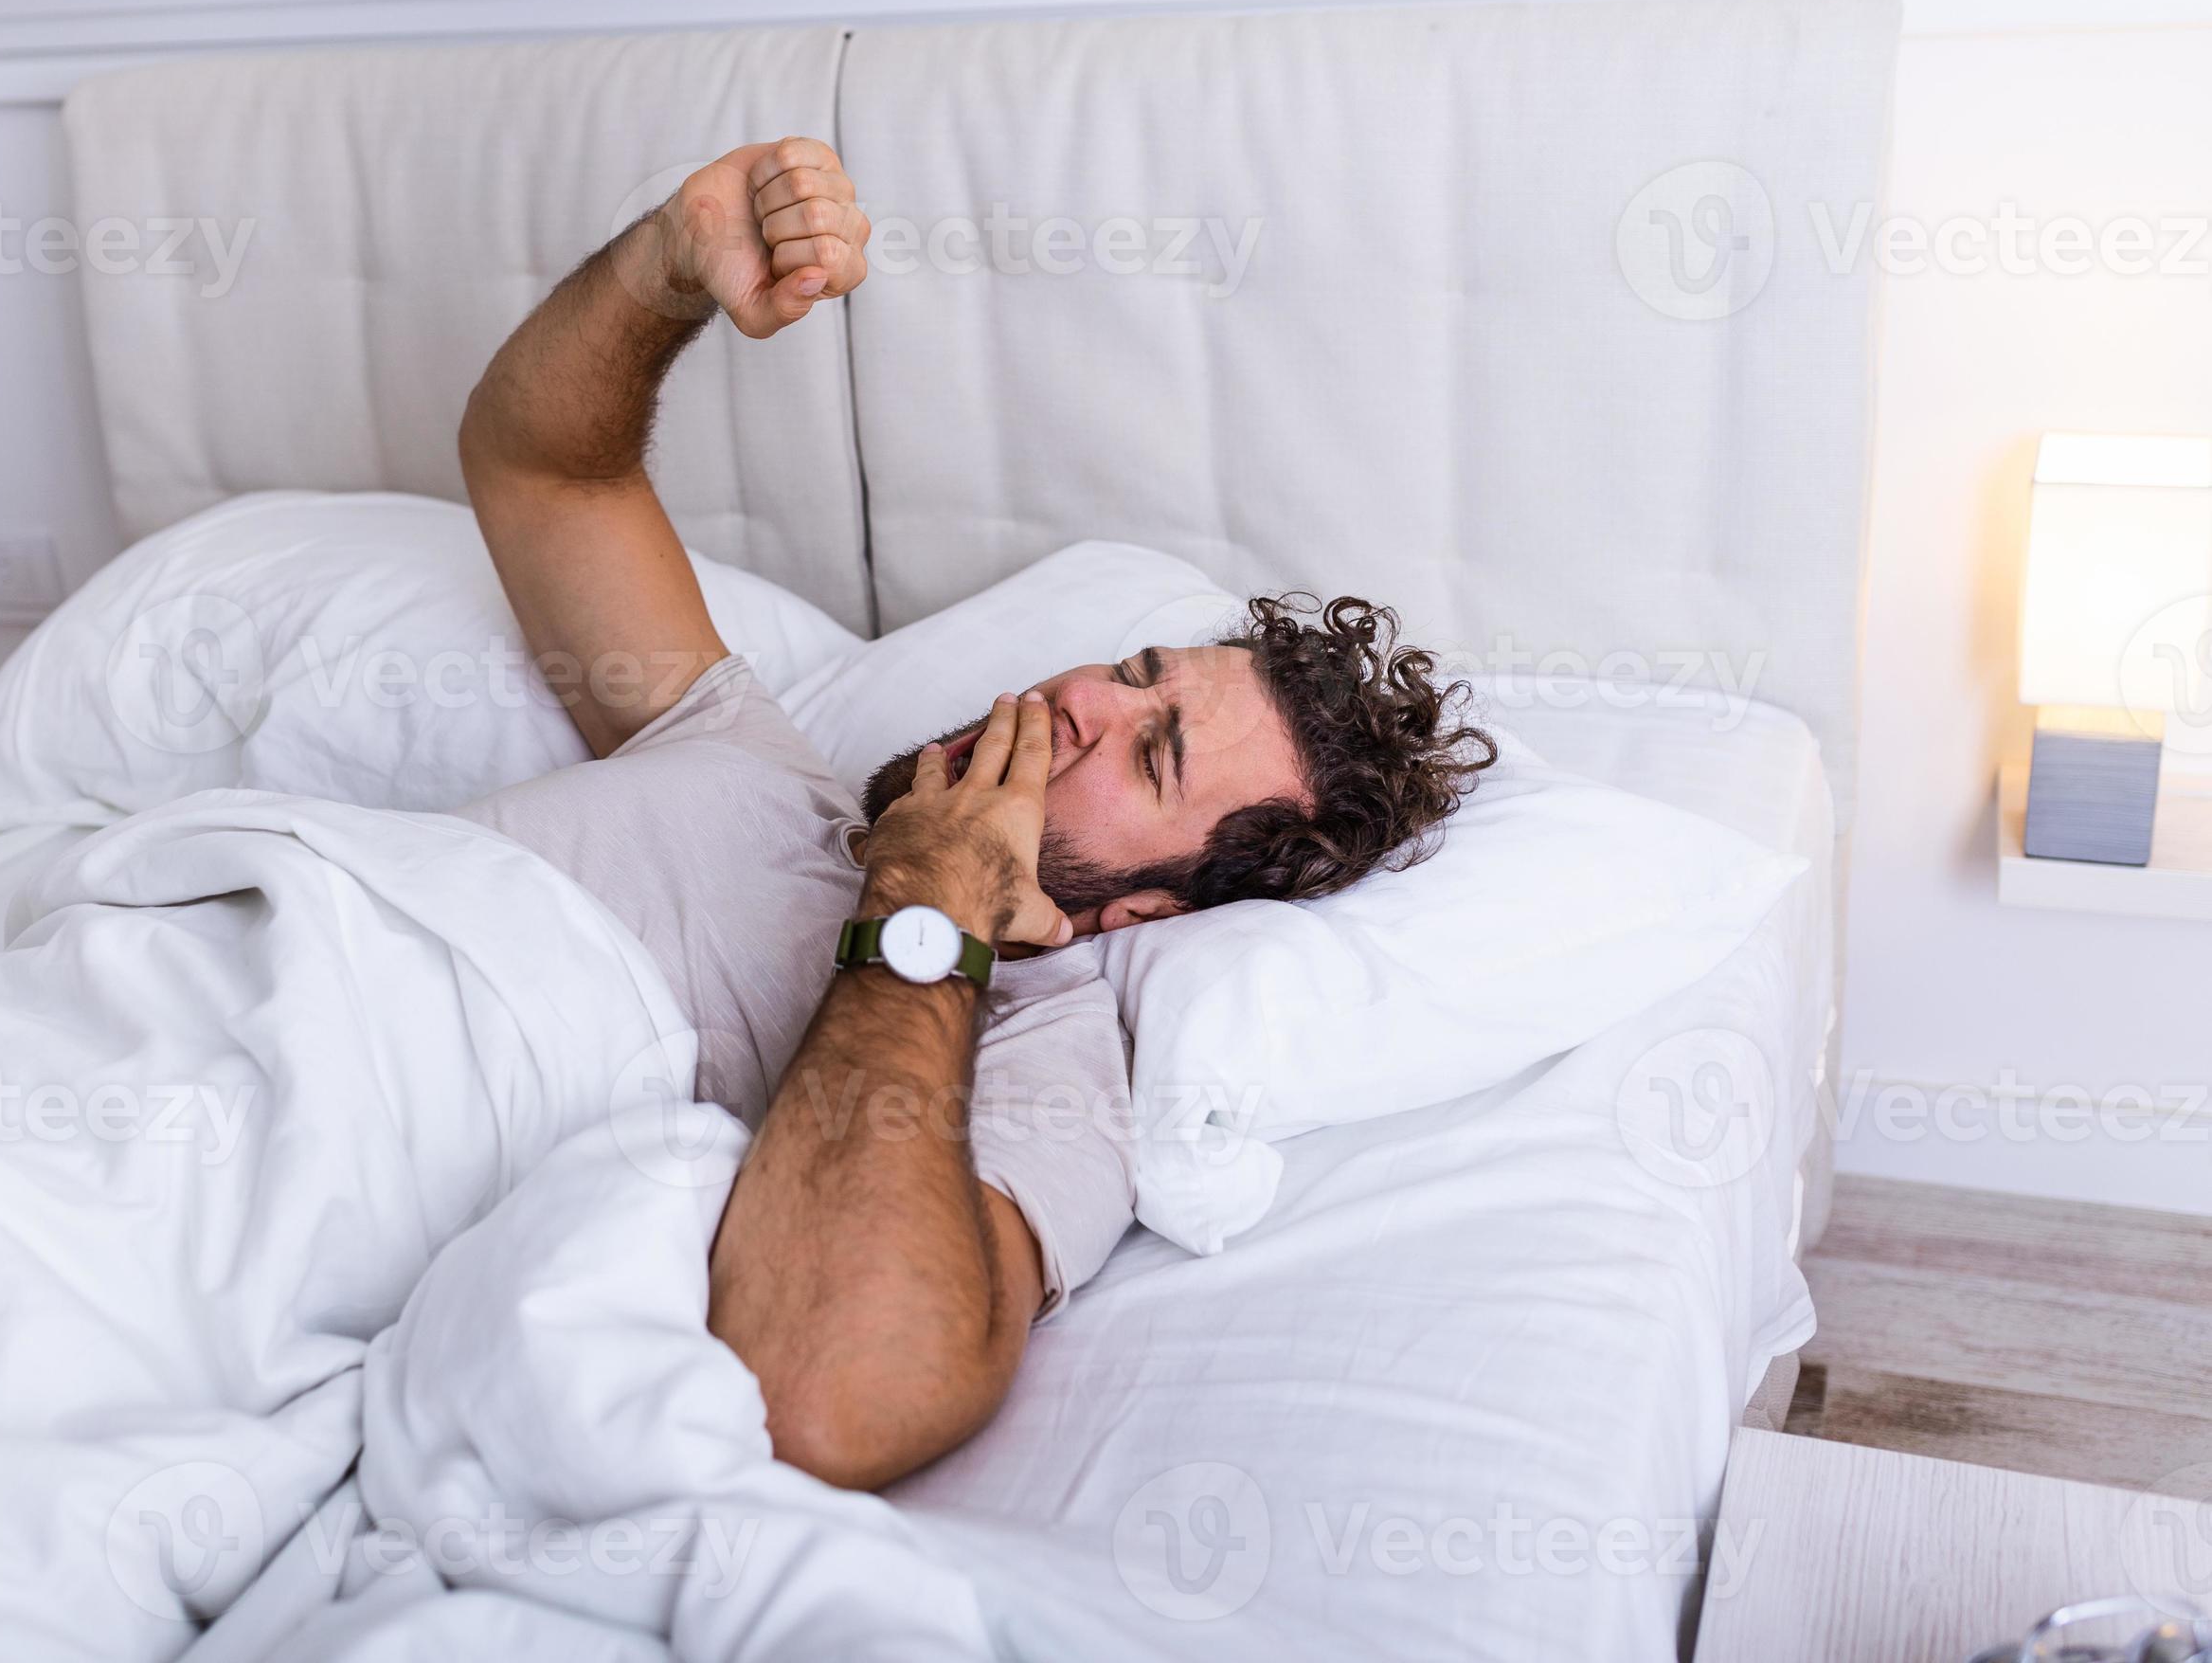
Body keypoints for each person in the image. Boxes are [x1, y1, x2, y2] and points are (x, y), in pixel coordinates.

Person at [453, 136, 1495, 1490]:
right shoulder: (749, 756)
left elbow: (836, 1397)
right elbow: (546, 472)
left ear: (1135, 909)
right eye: (1132, 676)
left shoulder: (1043, 1068)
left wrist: (930, 902)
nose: (1085, 705)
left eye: (1156, 754)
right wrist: (669, 265)